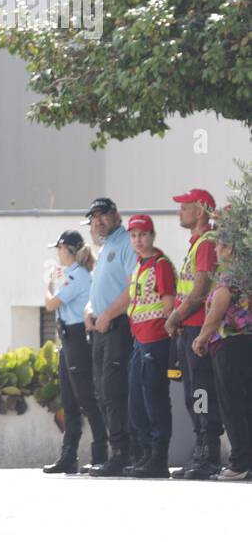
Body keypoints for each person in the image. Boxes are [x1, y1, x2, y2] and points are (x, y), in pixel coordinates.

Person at [163, 188, 223, 480]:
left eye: (184, 207)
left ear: (200, 211)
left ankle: (208, 453)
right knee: (193, 391)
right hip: (191, 328)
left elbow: (199, 291)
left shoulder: (207, 244)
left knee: (201, 391)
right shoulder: (198, 243)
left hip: (199, 328)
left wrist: (175, 315)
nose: (179, 211)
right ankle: (201, 448)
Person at [83, 198, 139, 477]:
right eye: (93, 217)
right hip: (101, 330)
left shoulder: (127, 242)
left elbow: (133, 287)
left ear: (116, 216)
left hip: (118, 326)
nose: (97, 221)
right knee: (102, 391)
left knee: (115, 390)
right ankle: (117, 451)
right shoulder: (105, 248)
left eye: (103, 215)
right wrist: (91, 310)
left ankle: (123, 453)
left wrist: (107, 315)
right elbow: (98, 290)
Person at [42, 230, 106, 473]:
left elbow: (51, 304)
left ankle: (100, 453)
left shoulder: (78, 275)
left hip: (78, 337)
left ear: (67, 250)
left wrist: (47, 284)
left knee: (86, 398)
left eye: (59, 249)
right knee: (69, 400)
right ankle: (68, 456)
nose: (57, 254)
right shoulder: (72, 274)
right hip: (67, 338)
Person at [192, 229, 252, 480]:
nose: (215, 251)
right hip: (245, 344)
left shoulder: (230, 275)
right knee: (246, 405)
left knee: (233, 406)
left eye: (219, 247)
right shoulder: (246, 273)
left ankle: (239, 463)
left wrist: (201, 337)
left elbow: (219, 307)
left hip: (230, 344)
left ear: (228, 249)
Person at [121, 214, 176, 479]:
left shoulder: (160, 264)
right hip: (139, 341)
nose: (138, 240)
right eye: (133, 236)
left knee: (154, 399)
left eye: (142, 234)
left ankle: (158, 457)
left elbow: (168, 304)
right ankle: (143, 453)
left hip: (156, 339)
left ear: (152, 235)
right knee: (137, 400)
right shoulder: (139, 266)